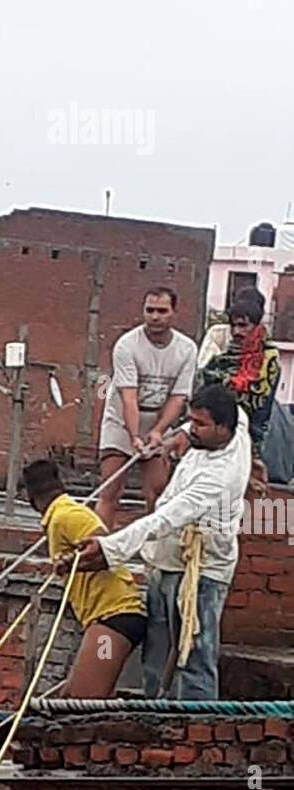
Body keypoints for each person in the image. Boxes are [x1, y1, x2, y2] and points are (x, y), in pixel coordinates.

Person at [75, 384, 251, 700]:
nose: (192, 428)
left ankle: (195, 731)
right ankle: (153, 724)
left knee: (194, 657)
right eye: (191, 421)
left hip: (202, 572)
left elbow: (165, 518)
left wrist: (110, 548)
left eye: (199, 425)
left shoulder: (219, 477)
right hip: (165, 561)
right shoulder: (236, 422)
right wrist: (175, 437)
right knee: (156, 653)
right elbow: (198, 427)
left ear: (224, 429)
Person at [23, 457, 145, 697]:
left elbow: (103, 543)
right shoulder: (62, 515)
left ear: (30, 499)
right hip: (105, 620)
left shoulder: (65, 515)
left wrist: (73, 564)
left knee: (84, 700)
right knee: (67, 697)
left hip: (114, 621)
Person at [96, 287, 198, 529]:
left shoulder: (187, 349)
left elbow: (178, 397)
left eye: (162, 311)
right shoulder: (126, 345)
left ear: (174, 313)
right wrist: (133, 437)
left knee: (158, 491)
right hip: (122, 420)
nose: (155, 316)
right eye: (149, 310)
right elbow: (128, 397)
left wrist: (159, 431)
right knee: (110, 487)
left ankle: (155, 552)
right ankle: (98, 545)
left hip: (159, 419)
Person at [198, 290, 280, 458]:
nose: (236, 332)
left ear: (257, 326)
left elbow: (260, 407)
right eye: (233, 326)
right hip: (211, 437)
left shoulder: (268, 359)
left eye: (243, 326)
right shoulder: (223, 356)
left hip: (248, 438)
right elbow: (204, 384)